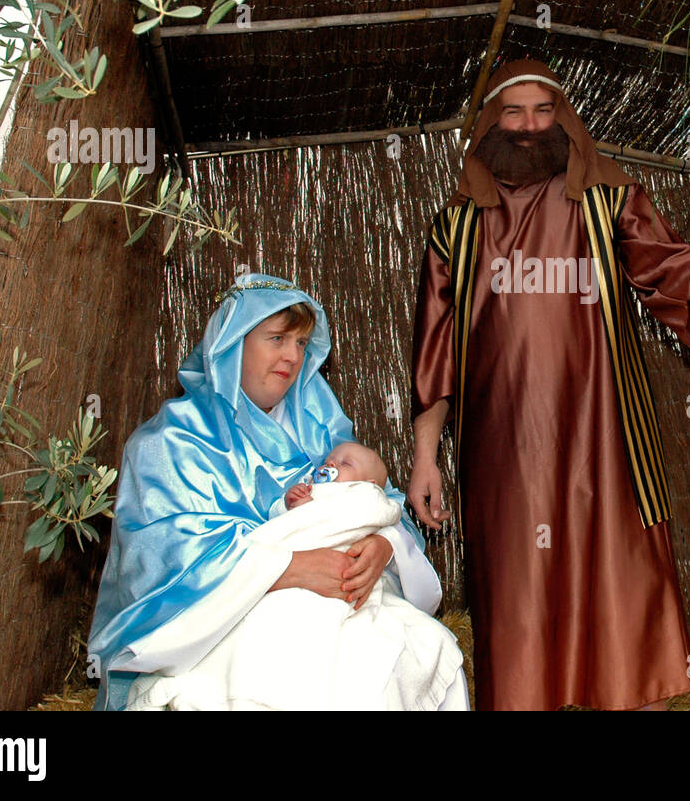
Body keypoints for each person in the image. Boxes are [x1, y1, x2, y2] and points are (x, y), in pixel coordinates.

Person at [408, 58, 690, 711]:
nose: (527, 126)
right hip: (503, 459)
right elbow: (434, 357)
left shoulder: (606, 196)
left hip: (604, 438)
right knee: (517, 607)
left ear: (564, 118)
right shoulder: (454, 228)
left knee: (625, 591)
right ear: (489, 124)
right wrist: (424, 458)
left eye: (542, 110)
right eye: (511, 112)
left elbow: (664, 269)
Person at [89, 273, 467, 710]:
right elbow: (162, 562)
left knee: (424, 648)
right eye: (278, 338)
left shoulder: (319, 427)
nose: (292, 356)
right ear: (232, 344)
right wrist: (290, 568)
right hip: (220, 626)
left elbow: (382, 503)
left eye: (302, 343)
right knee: (280, 676)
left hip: (339, 603)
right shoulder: (170, 443)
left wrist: (383, 546)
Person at [278, 442, 389, 514]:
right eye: (326, 462)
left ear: (368, 485)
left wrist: (311, 510)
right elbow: (275, 519)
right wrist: (289, 502)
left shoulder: (363, 497)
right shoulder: (308, 486)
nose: (330, 463)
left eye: (346, 463)